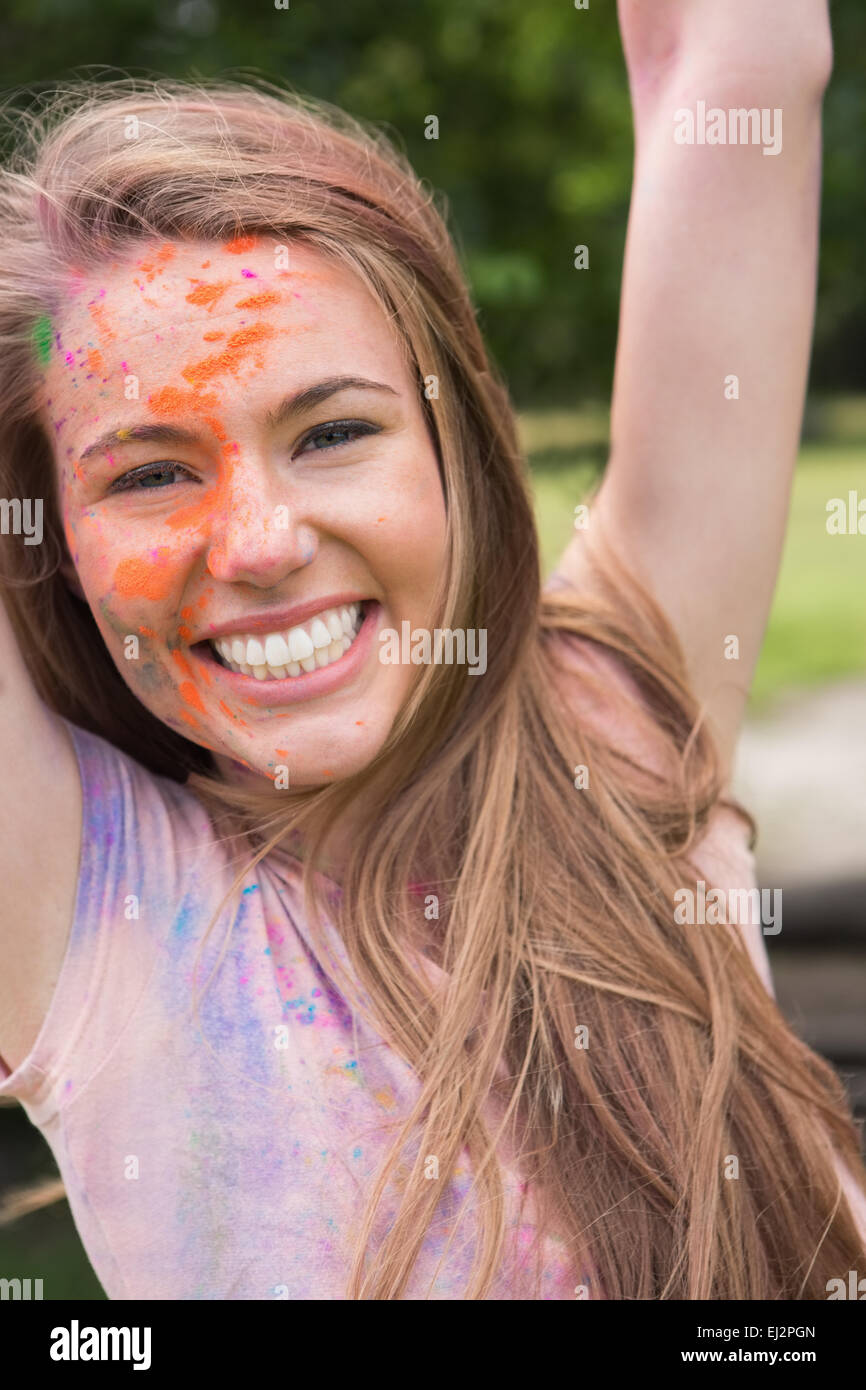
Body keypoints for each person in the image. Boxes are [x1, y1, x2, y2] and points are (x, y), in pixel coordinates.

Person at [1, 2, 863, 1300]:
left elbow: (737, 53)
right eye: (151, 471)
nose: (259, 541)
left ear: (455, 440)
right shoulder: (90, 915)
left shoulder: (623, 702)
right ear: (52, 540)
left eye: (334, 432)